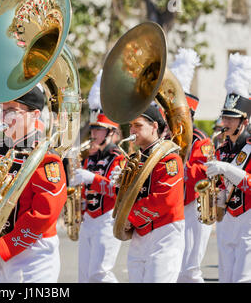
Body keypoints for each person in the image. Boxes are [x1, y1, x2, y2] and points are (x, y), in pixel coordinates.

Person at [0, 85, 67, 283]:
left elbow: (45, 212)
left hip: (33, 253)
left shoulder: (45, 156)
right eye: (3, 111)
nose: (5, 118)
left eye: (13, 111)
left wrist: (4, 245)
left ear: (34, 114)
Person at [111, 104, 185, 283]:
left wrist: (129, 217)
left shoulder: (169, 159)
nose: (132, 130)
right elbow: (130, 196)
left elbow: (165, 199)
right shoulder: (137, 159)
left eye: (138, 125)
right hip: (140, 233)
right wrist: (119, 185)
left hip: (164, 233)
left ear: (154, 127)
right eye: (131, 125)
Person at [162, 48, 212, 283]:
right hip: (172, 207)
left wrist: (177, 171)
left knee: (189, 270)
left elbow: (203, 171)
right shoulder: (165, 139)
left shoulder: (201, 139)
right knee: (171, 267)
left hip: (193, 207)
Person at [70, 69, 124, 283]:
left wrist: (92, 179)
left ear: (111, 131)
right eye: (93, 128)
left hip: (107, 219)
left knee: (100, 273)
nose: (93, 133)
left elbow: (116, 190)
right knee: (84, 276)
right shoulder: (90, 157)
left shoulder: (118, 158)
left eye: (99, 129)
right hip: (88, 220)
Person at [205, 53, 251, 283]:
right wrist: (217, 198)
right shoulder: (221, 149)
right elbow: (224, 186)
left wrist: (226, 168)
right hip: (226, 220)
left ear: (245, 121)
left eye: (231, 118)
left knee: (243, 279)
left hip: (248, 221)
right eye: (225, 117)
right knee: (225, 278)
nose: (225, 123)